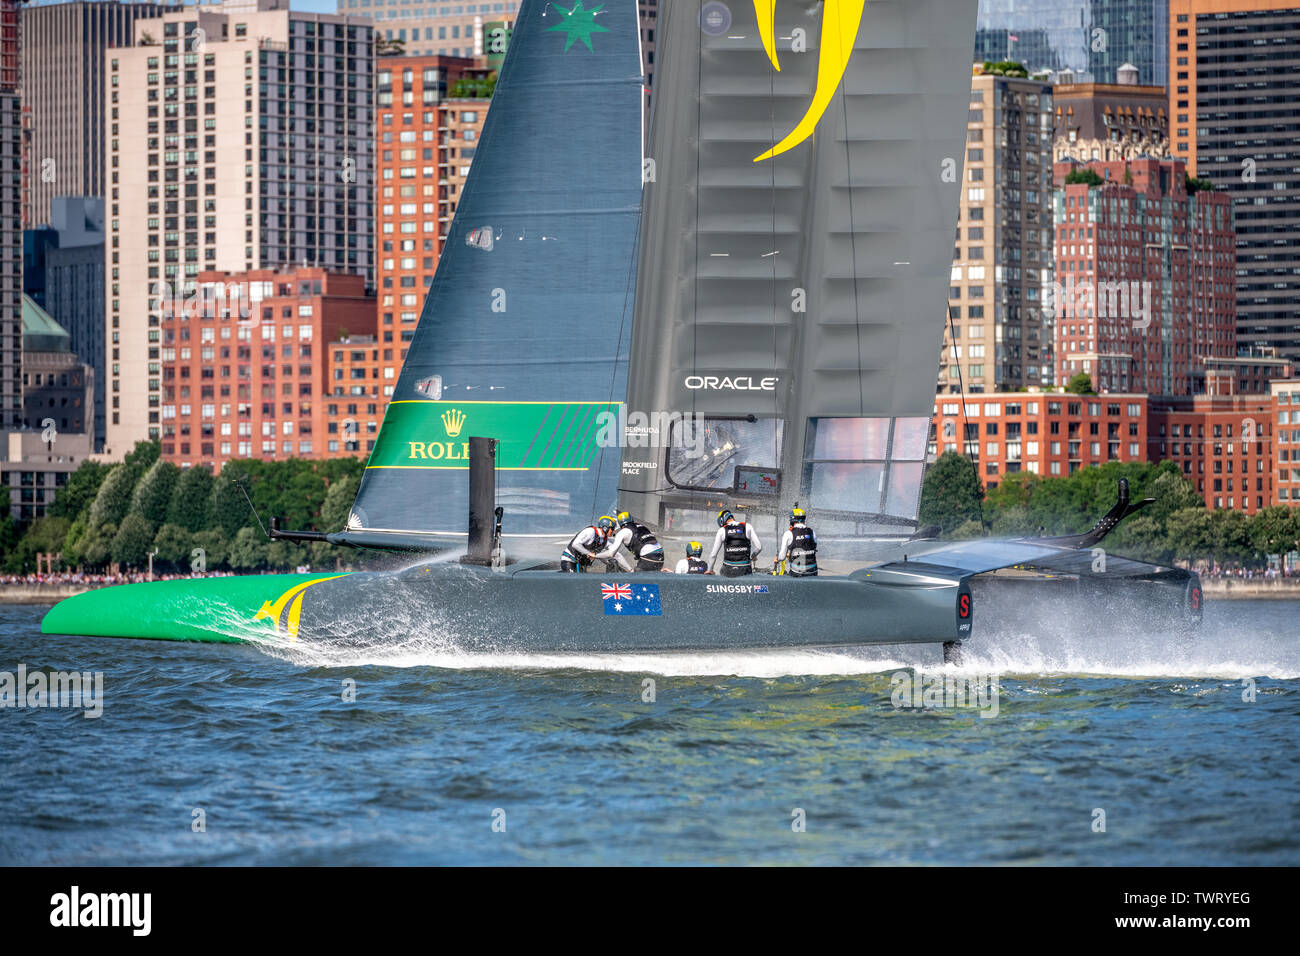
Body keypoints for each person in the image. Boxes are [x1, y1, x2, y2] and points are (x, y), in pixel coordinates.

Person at [560, 515, 625, 572]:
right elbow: (575, 544)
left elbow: (615, 554)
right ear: (605, 528)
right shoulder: (590, 531)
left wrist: (628, 570)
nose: (613, 531)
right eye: (612, 528)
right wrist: (589, 553)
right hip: (569, 560)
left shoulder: (605, 540)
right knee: (575, 583)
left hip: (580, 564)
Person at [709, 509, 761, 576]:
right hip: (745, 568)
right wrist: (753, 556)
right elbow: (759, 547)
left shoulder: (722, 530)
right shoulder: (747, 526)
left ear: (721, 521)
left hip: (728, 569)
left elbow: (713, 555)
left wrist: (710, 570)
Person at [775, 507, 818, 577]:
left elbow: (782, 557)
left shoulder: (788, 533)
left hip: (797, 573)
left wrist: (777, 558)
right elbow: (810, 548)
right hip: (813, 572)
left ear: (792, 520)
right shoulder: (812, 532)